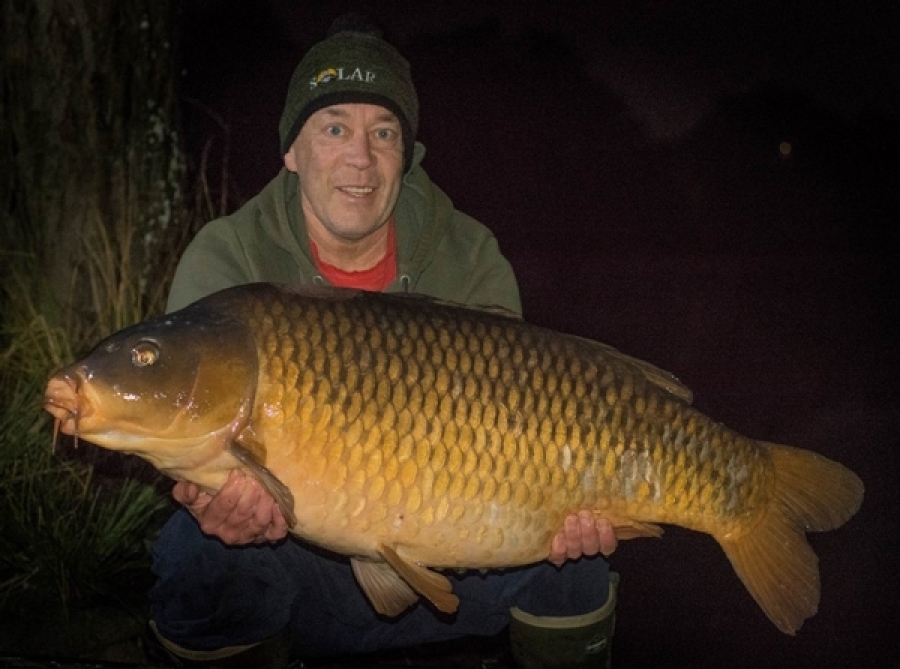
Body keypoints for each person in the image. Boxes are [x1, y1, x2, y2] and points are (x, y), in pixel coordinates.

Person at [148, 14, 619, 669]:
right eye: (334, 127)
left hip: (466, 552)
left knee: (582, 560)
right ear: (291, 149)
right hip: (297, 564)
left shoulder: (469, 255)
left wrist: (566, 503)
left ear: (407, 153)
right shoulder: (228, 259)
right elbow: (187, 428)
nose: (360, 158)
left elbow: (524, 429)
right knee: (196, 554)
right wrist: (211, 501)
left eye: (384, 133)